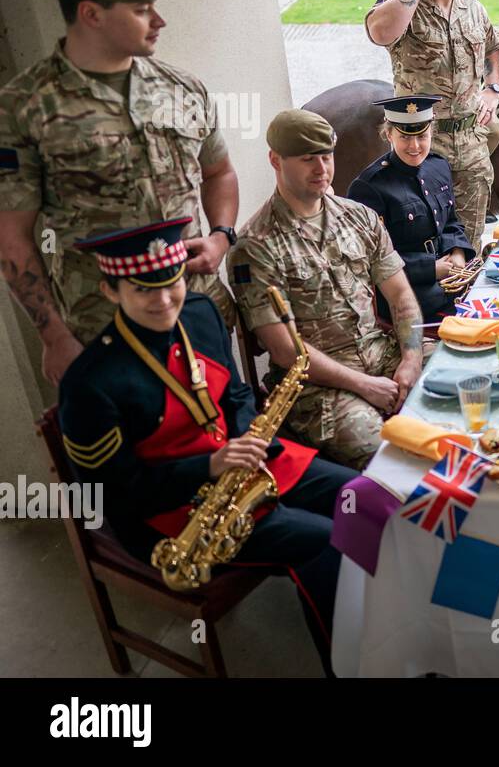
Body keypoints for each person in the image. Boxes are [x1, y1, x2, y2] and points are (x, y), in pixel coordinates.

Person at [57, 218, 352, 675]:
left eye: (170, 282)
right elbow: (112, 496)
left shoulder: (199, 312)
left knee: (361, 496)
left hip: (238, 461)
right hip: (169, 512)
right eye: (143, 290)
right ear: (111, 291)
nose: (163, 300)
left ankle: (390, 624)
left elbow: (234, 395)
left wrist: (247, 436)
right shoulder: (89, 382)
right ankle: (350, 666)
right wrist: (208, 466)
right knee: (324, 542)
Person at [0, 0, 239, 385]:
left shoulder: (182, 87)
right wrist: (53, 337)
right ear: (91, 14)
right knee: (139, 449)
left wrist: (221, 237)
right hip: (102, 324)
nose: (159, 21)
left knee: (233, 432)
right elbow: (11, 235)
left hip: (197, 307)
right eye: (142, 10)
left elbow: (219, 172)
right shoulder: (24, 106)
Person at [228, 109, 425, 470]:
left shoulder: (359, 217)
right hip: (319, 389)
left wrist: (411, 361)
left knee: (469, 382)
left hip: (384, 356)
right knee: (390, 459)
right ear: (275, 159)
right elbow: (286, 350)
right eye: (307, 159)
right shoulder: (255, 247)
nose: (321, 169)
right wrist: (366, 385)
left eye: (326, 156)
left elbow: (400, 297)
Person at [365, 0, 499, 248]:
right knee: (420, 246)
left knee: (468, 246)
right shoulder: (402, 2)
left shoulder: (474, 9)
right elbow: (380, 33)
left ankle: (463, 298)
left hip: (470, 148)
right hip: (420, 149)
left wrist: (492, 88)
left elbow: (493, 50)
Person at [346, 95, 475, 323]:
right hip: (410, 295)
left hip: (453, 281)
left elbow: (451, 222)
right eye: (405, 137)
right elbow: (371, 260)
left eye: (422, 136)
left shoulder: (438, 166)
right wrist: (430, 269)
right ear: (389, 135)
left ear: (431, 133)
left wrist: (458, 252)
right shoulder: (369, 187)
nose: (414, 146)